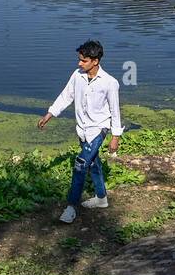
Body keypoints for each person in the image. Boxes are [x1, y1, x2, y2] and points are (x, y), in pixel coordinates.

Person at [38, 40, 122, 223]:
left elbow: (115, 111)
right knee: (93, 164)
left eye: (83, 61)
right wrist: (50, 114)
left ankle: (71, 207)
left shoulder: (109, 83)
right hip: (82, 130)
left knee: (80, 165)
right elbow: (66, 96)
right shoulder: (77, 76)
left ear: (95, 61)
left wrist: (115, 137)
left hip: (98, 129)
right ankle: (101, 198)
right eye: (79, 60)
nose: (79, 63)